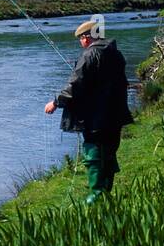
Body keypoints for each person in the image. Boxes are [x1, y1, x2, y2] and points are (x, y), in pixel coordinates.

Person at [44, 20, 133, 203]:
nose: (81, 43)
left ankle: (96, 196)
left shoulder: (90, 54)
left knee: (94, 154)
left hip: (95, 118)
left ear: (86, 38)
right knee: (108, 153)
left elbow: (74, 86)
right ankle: (106, 192)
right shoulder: (115, 53)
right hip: (115, 115)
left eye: (81, 39)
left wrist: (55, 102)